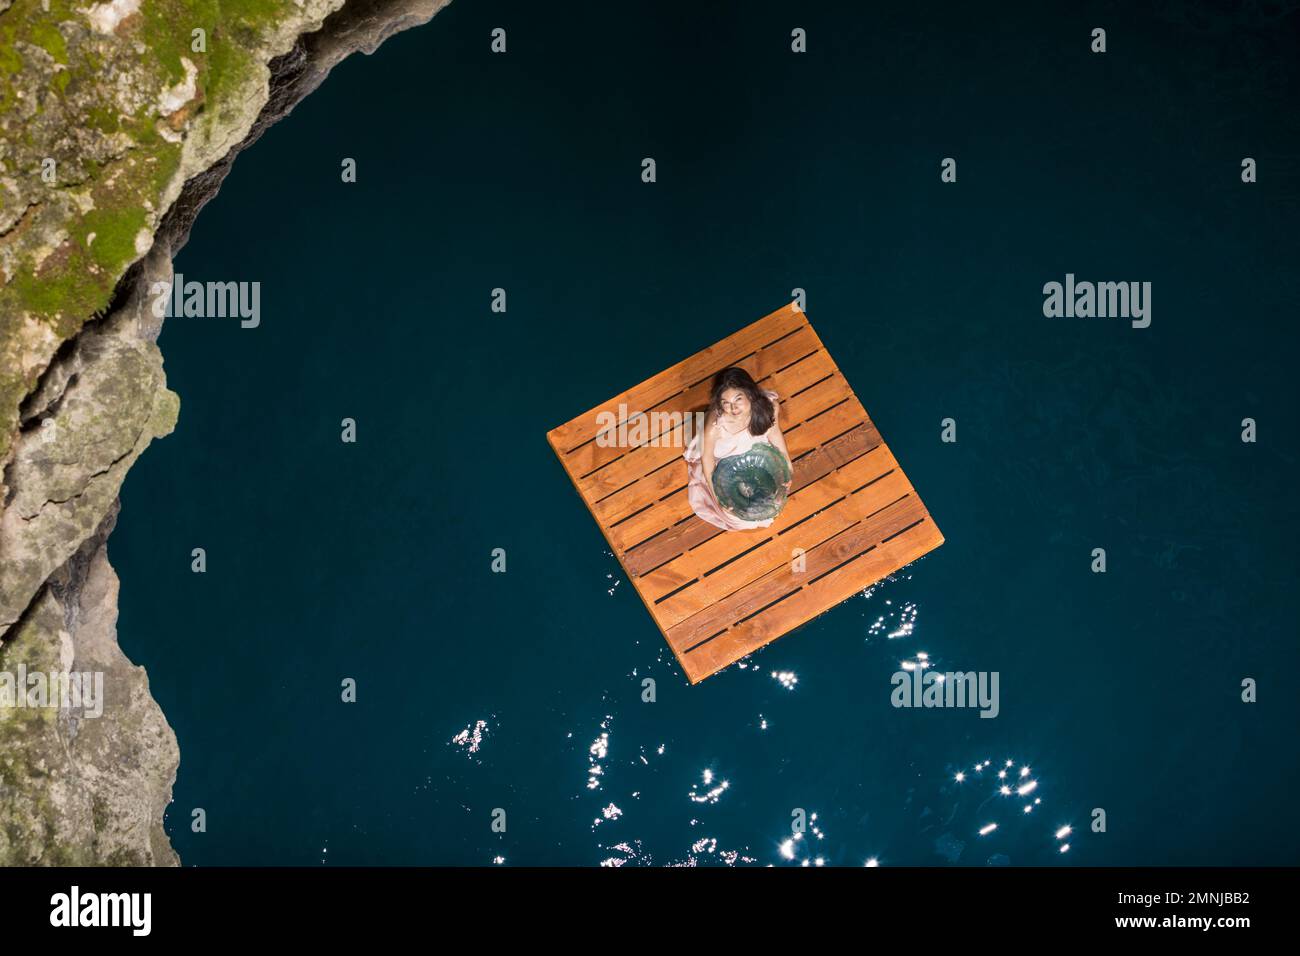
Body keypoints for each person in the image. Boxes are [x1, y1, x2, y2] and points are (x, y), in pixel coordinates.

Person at [683, 367, 792, 531]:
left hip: (758, 455)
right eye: (725, 403)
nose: (732, 409)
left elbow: (775, 433)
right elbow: (707, 460)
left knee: (773, 500)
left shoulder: (769, 407)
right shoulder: (715, 426)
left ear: (750, 394)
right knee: (737, 517)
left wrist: (788, 464)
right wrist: (719, 498)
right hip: (723, 464)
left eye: (737, 399)